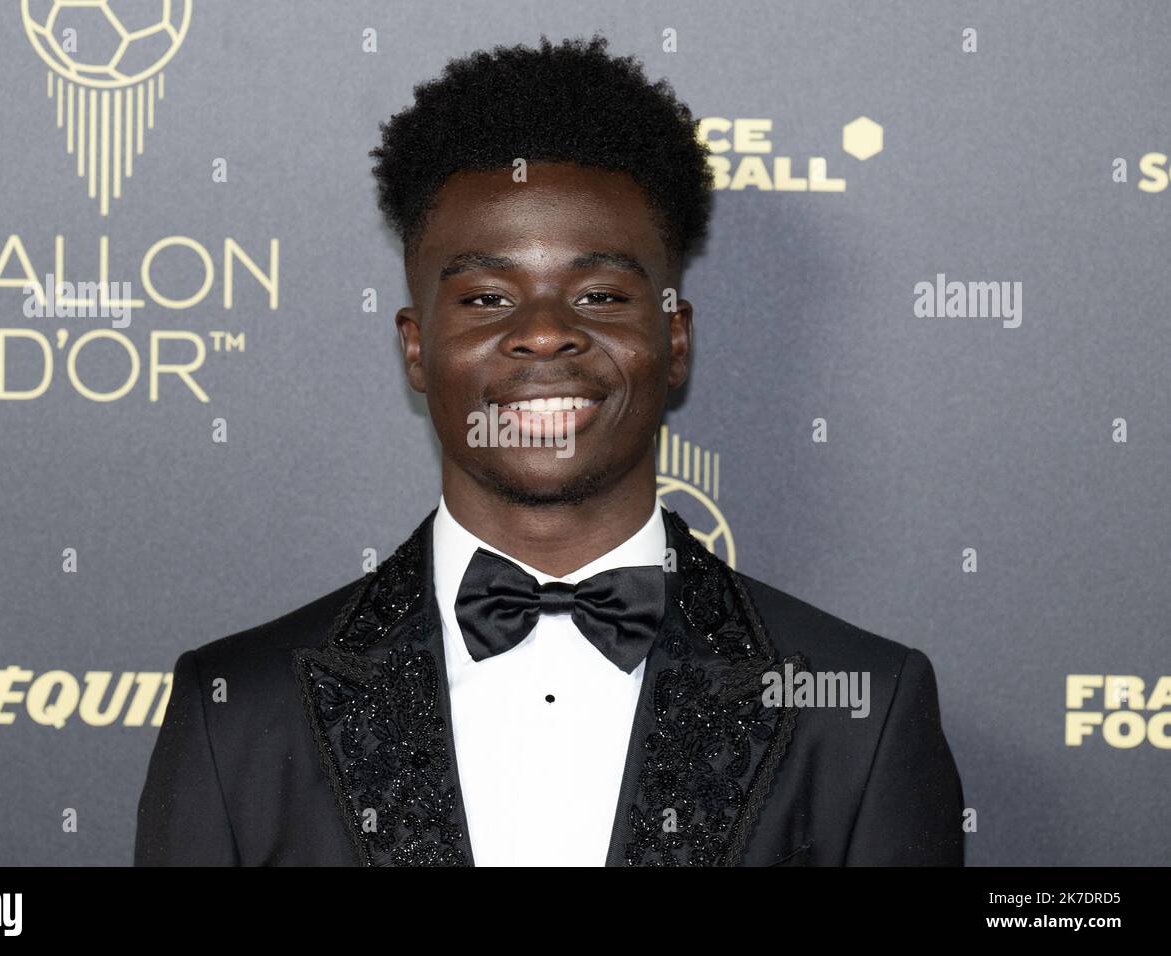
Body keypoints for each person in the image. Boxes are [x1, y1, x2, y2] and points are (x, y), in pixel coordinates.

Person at [134, 34, 964, 866]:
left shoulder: (861, 711)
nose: (543, 333)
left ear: (674, 340)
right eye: (488, 296)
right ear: (416, 349)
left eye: (600, 294)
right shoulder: (236, 709)